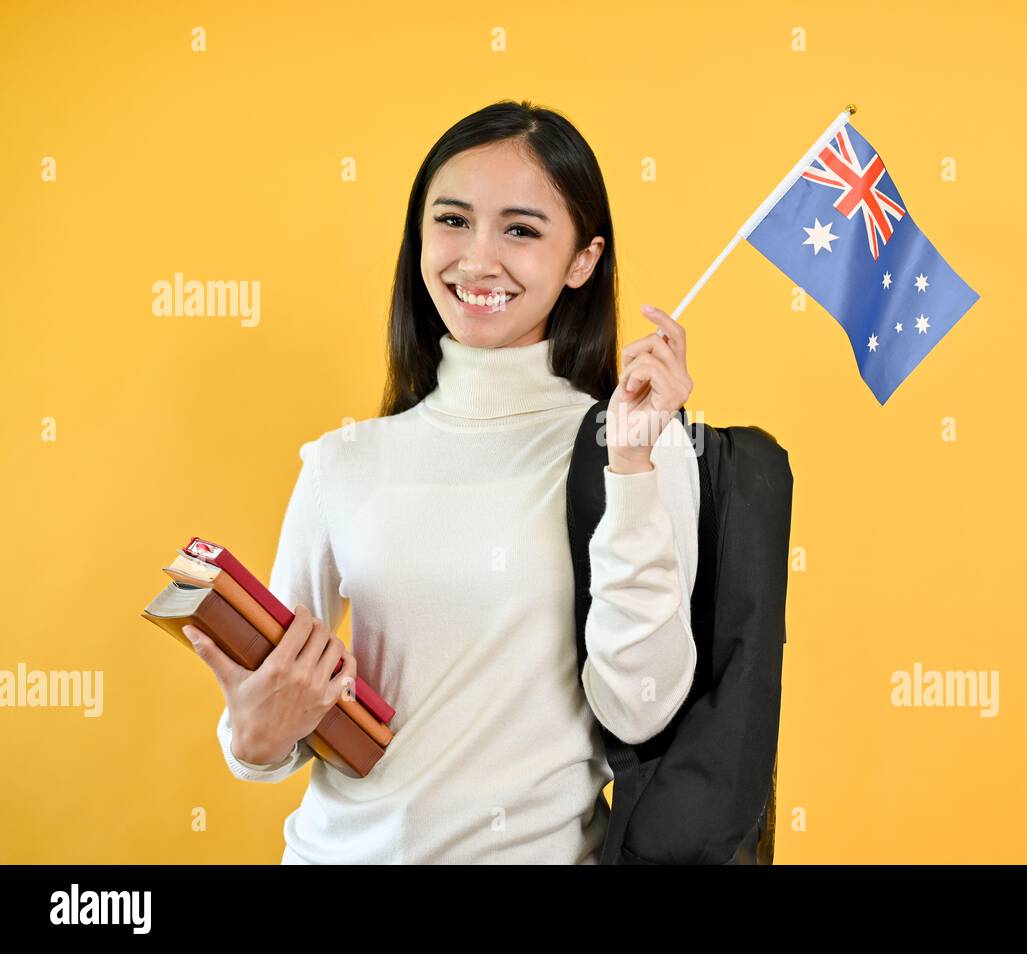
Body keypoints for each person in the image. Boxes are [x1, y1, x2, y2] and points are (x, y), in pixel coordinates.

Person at [179, 99, 701, 864]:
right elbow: (279, 728)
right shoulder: (342, 461)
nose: (478, 260)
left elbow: (639, 709)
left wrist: (629, 469)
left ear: (583, 261)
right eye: (453, 221)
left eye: (521, 230)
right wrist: (252, 734)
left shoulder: (636, 442)